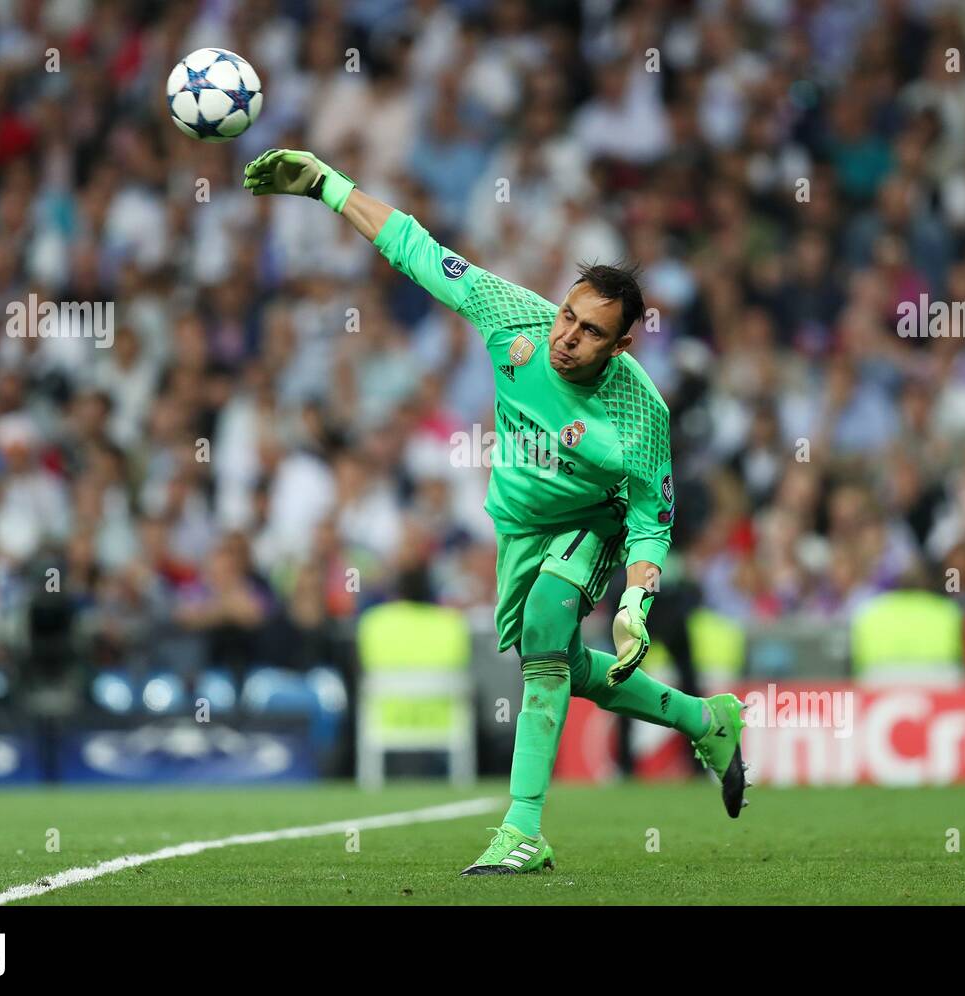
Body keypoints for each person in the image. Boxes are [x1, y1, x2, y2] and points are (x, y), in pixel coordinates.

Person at [242, 149, 751, 875]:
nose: (567, 338)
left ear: (623, 344)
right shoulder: (514, 317)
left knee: (547, 628)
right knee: (561, 664)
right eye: (568, 317)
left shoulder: (642, 411)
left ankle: (521, 830)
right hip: (517, 527)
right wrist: (329, 185)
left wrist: (637, 596)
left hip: (591, 526)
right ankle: (706, 719)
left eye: (590, 333)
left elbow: (650, 517)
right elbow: (416, 250)